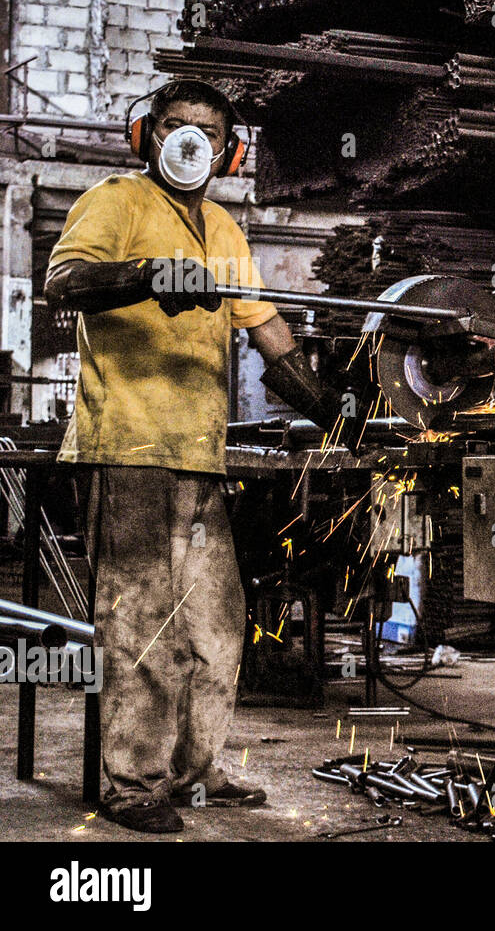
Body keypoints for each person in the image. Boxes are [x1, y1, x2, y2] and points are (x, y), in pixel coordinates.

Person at [44, 79, 348, 833]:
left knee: (215, 628)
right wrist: (144, 277)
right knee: (142, 623)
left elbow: (268, 333)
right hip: (129, 447)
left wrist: (335, 409)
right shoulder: (116, 201)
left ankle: (195, 769)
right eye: (175, 127)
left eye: (207, 133)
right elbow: (65, 280)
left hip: (198, 457)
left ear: (229, 150)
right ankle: (131, 785)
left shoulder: (224, 229)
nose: (190, 143)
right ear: (145, 136)